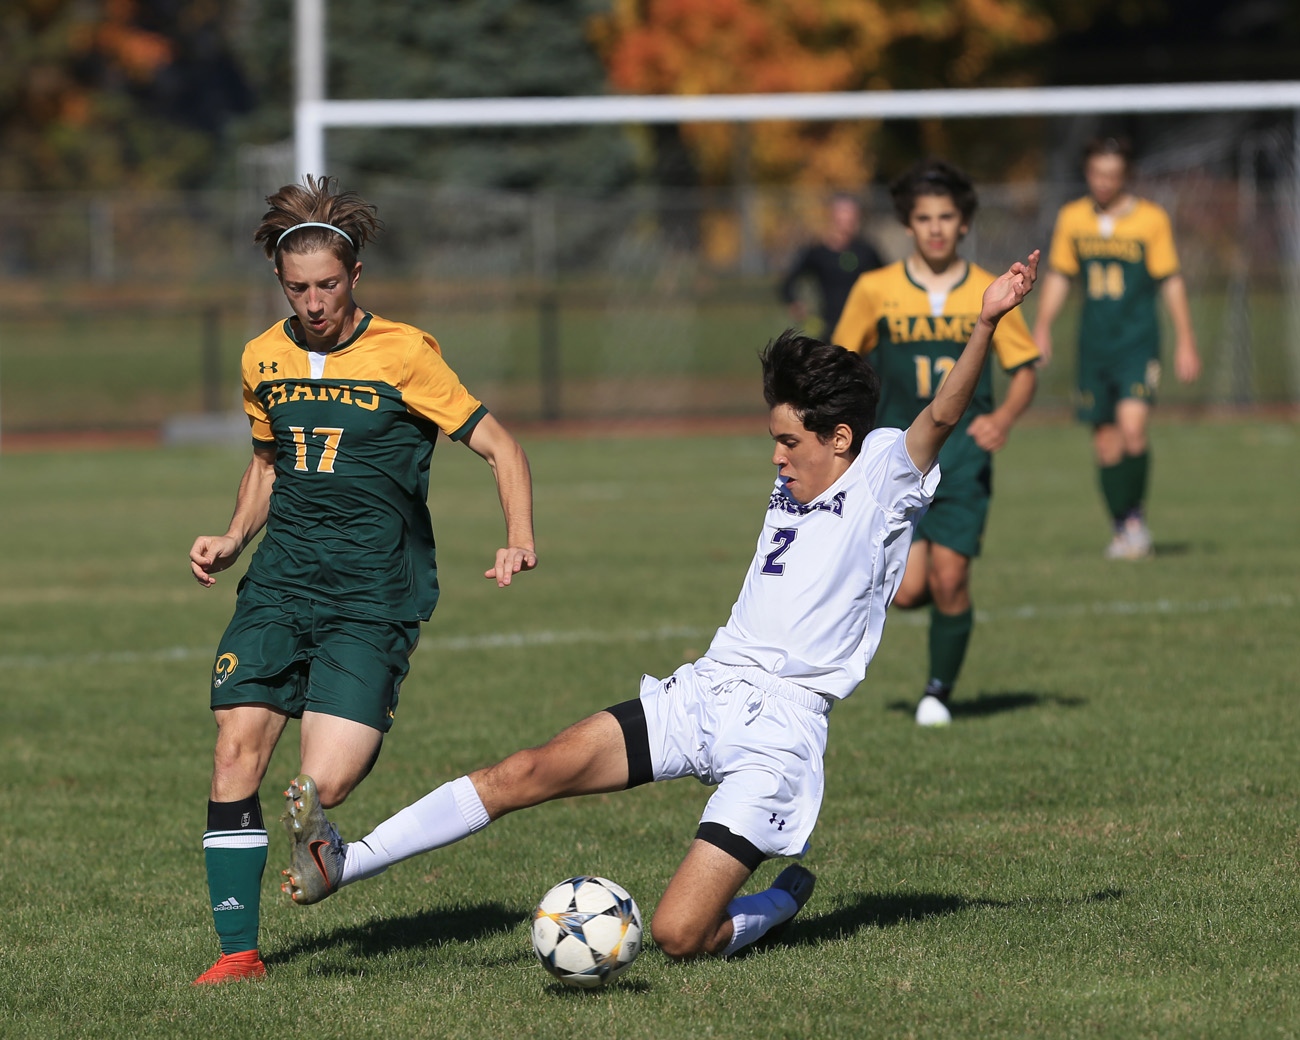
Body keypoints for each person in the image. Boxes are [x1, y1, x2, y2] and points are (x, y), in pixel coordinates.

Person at [278, 251, 1040, 965]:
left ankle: (781, 899)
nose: (775, 457)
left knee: (681, 935)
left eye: (787, 441)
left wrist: (985, 322)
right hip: (706, 689)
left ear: (840, 438)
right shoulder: (803, 470)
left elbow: (939, 414)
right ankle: (344, 861)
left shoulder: (881, 475)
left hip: (780, 734)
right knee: (524, 770)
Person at [187, 176, 537, 984]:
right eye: (298, 287)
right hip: (279, 585)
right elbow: (268, 462)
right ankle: (238, 954)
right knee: (235, 749)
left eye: (329, 285)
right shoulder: (262, 358)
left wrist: (518, 537)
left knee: (327, 781)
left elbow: (503, 448)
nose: (314, 303)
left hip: (372, 593)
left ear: (354, 277)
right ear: (281, 283)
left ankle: (326, 843)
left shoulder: (408, 353)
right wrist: (235, 538)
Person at [832, 159, 1039, 728]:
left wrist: (1005, 419)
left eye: (947, 216)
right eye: (925, 218)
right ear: (907, 224)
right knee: (907, 591)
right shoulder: (875, 289)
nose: (937, 228)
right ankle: (936, 678)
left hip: (965, 455)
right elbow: (841, 364)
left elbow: (1024, 368)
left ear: (964, 223)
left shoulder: (988, 288)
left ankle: (939, 692)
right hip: (899, 458)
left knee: (951, 577)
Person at [1032, 136, 1201, 560]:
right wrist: (1042, 327)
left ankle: (1135, 521)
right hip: (1095, 347)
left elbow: (1171, 279)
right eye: (1096, 174)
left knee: (1132, 429)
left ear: (1125, 176)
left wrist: (1186, 340)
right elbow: (1059, 275)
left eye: (1112, 175)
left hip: (1137, 344)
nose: (1103, 182)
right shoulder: (1073, 218)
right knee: (1105, 442)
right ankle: (1120, 526)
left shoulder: (1151, 220)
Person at [778, 192, 884, 338]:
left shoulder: (866, 250)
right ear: (832, 216)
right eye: (843, 213)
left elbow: (888, 277)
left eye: (852, 214)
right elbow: (788, 283)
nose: (848, 219)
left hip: (864, 329)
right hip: (830, 329)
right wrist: (795, 303)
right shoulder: (817, 252)